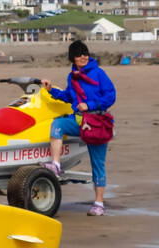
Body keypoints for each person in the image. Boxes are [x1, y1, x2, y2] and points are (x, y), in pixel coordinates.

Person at [41, 40, 115, 216]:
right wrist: (51, 90)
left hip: (96, 122)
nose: (83, 57)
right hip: (78, 122)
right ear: (72, 58)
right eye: (78, 54)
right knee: (57, 124)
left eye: (85, 53)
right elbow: (68, 96)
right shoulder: (72, 76)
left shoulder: (99, 74)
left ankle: (98, 204)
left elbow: (111, 96)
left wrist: (89, 105)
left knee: (98, 163)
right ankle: (56, 164)